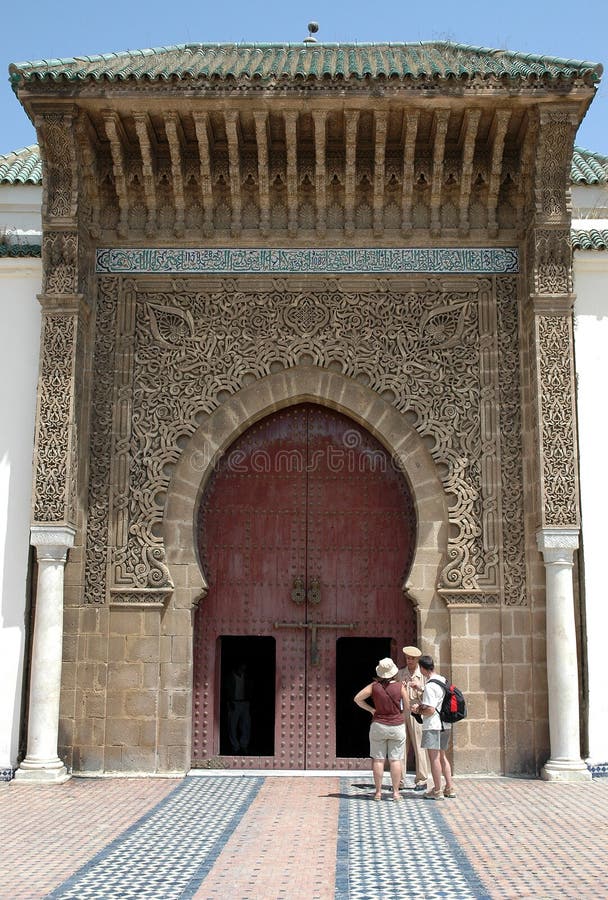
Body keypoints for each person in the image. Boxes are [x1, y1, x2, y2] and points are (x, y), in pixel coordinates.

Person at [353, 657, 408, 801]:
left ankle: (378, 792)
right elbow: (407, 707)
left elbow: (357, 698)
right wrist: (400, 715)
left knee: (378, 760)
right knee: (396, 760)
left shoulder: (374, 686)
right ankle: (396, 793)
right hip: (397, 725)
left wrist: (371, 709)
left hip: (378, 725)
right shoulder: (400, 686)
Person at [410, 654, 456, 800]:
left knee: (434, 758)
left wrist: (417, 709)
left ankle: (437, 790)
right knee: (443, 756)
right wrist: (421, 688)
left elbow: (429, 710)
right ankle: (449, 788)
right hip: (445, 725)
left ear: (422, 668)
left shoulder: (430, 686)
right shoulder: (442, 680)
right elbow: (438, 697)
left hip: (433, 726)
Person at [397, 645, 430, 791]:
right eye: (407, 658)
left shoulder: (423, 676)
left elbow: (429, 696)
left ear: (417, 659)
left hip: (417, 712)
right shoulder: (400, 673)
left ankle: (422, 779)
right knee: (401, 746)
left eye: (412, 658)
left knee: (419, 745)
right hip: (403, 711)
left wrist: (418, 689)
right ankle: (399, 779)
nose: (409, 661)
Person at [226, 661, 252, 754]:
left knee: (246, 725)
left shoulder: (246, 676)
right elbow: (226, 690)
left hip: (245, 703)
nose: (243, 670)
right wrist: (229, 701)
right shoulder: (230, 677)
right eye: (241, 668)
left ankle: (244, 745)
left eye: (244, 668)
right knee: (232, 725)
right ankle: (235, 746)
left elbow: (250, 688)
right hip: (234, 703)